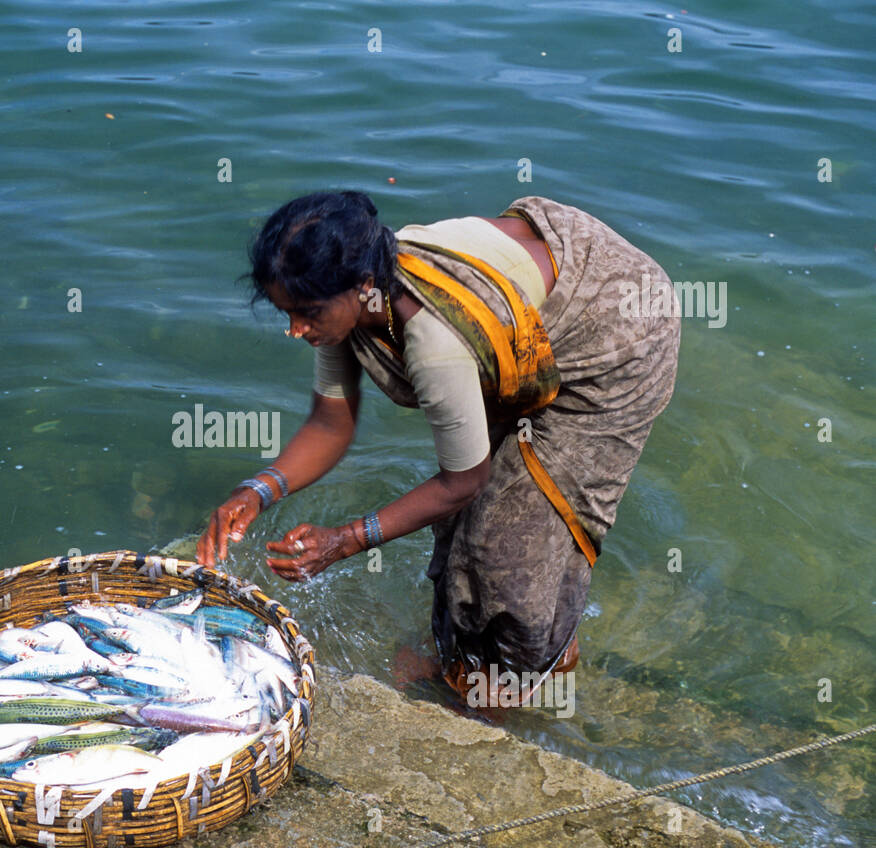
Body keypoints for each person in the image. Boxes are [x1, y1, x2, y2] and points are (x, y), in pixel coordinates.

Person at [195, 190, 681, 708]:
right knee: (466, 523)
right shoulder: (351, 293)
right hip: (522, 314)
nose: (295, 329)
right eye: (285, 312)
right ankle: (463, 655)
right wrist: (256, 491)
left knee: (515, 542)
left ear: (362, 287)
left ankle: (537, 671)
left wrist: (347, 539)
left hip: (618, 329)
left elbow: (461, 482)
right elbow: (330, 423)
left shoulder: (433, 338)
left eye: (306, 314)